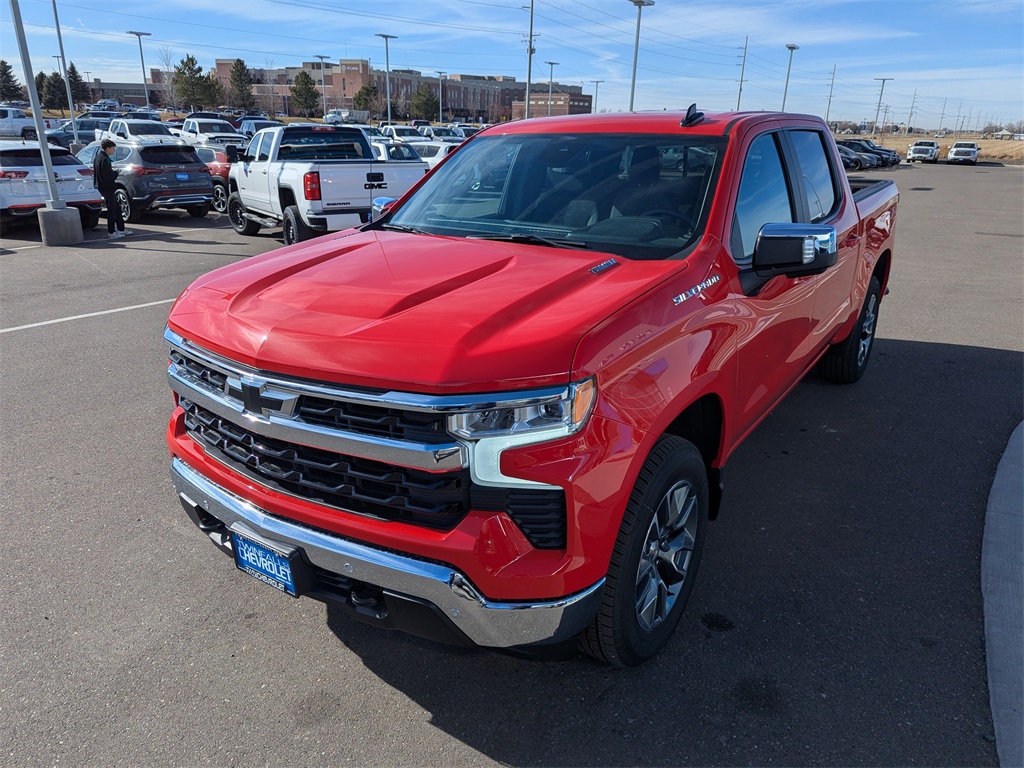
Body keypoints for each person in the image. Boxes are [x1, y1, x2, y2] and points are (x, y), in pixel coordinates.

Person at [93, 139, 131, 239]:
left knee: (117, 209)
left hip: (104, 187)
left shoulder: (98, 157)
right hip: (107, 188)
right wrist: (116, 173)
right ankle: (111, 232)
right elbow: (108, 176)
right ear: (108, 148)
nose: (114, 150)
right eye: (113, 148)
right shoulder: (104, 159)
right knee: (112, 210)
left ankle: (121, 229)